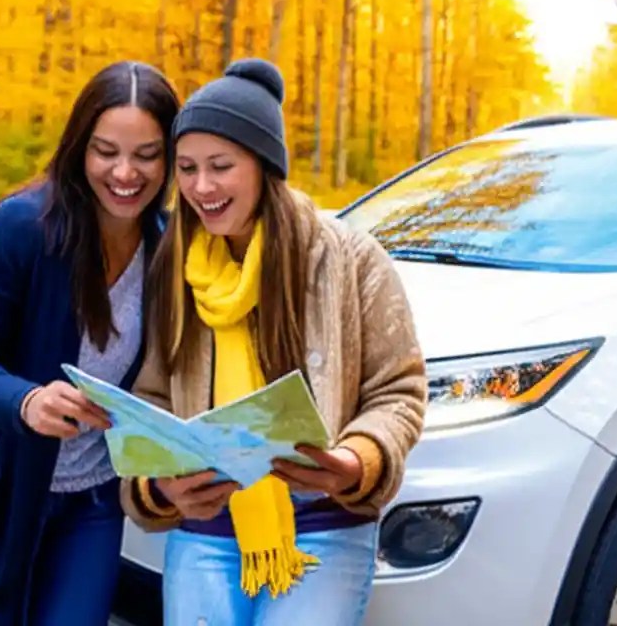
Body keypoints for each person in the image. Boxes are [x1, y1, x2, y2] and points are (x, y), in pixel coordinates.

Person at [120, 57, 428, 626]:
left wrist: (355, 462)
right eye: (186, 168)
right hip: (206, 529)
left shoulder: (351, 260)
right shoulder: (175, 267)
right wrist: (159, 487)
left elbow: (399, 392)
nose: (201, 187)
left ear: (264, 166)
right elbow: (152, 402)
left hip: (323, 527)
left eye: (221, 166)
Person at [0, 60, 181, 625]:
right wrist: (27, 400)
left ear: (170, 157)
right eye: (106, 151)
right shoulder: (21, 229)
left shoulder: (167, 249)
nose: (125, 172)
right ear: (79, 146)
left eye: (146, 154)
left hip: (91, 500)